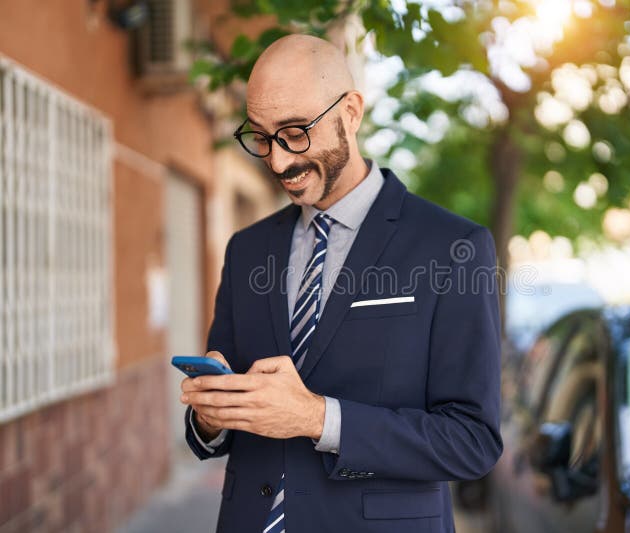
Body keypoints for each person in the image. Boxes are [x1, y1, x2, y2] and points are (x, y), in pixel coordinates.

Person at [180, 34, 502, 533]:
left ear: (350, 112)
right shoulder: (246, 250)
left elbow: (472, 441)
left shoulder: (452, 246)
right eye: (261, 137)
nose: (277, 161)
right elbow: (223, 417)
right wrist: (211, 417)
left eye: (294, 133)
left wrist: (318, 418)